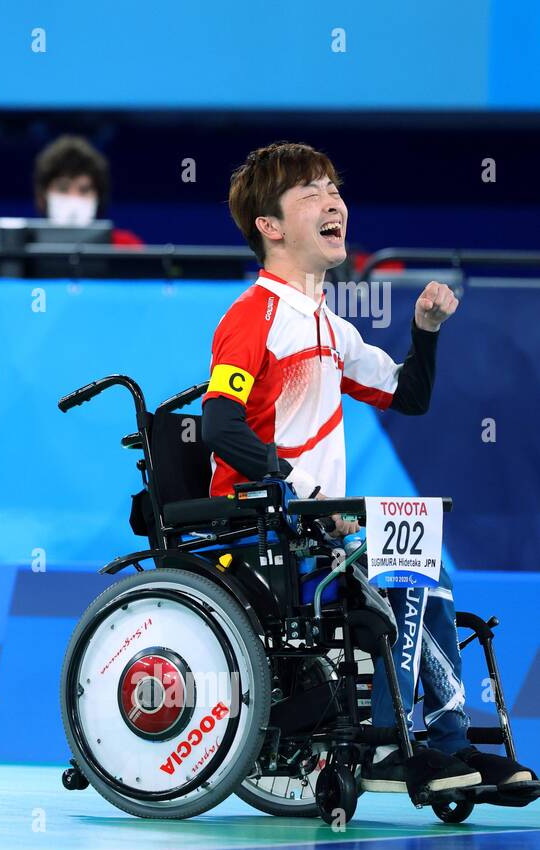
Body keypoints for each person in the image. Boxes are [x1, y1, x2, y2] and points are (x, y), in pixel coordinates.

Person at [201, 140, 535, 797]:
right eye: (310, 193)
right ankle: (397, 745)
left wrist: (426, 330)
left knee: (424, 559)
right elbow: (219, 423)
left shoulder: (330, 328)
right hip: (263, 531)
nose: (333, 202)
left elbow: (407, 394)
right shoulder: (254, 316)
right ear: (269, 227)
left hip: (315, 530)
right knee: (412, 564)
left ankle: (449, 746)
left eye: (335, 190)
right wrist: (288, 479)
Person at [33, 134, 142, 244]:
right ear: (42, 196)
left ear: (99, 197)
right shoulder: (25, 246)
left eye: (84, 190)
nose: (73, 198)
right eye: (63, 189)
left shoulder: (125, 246)